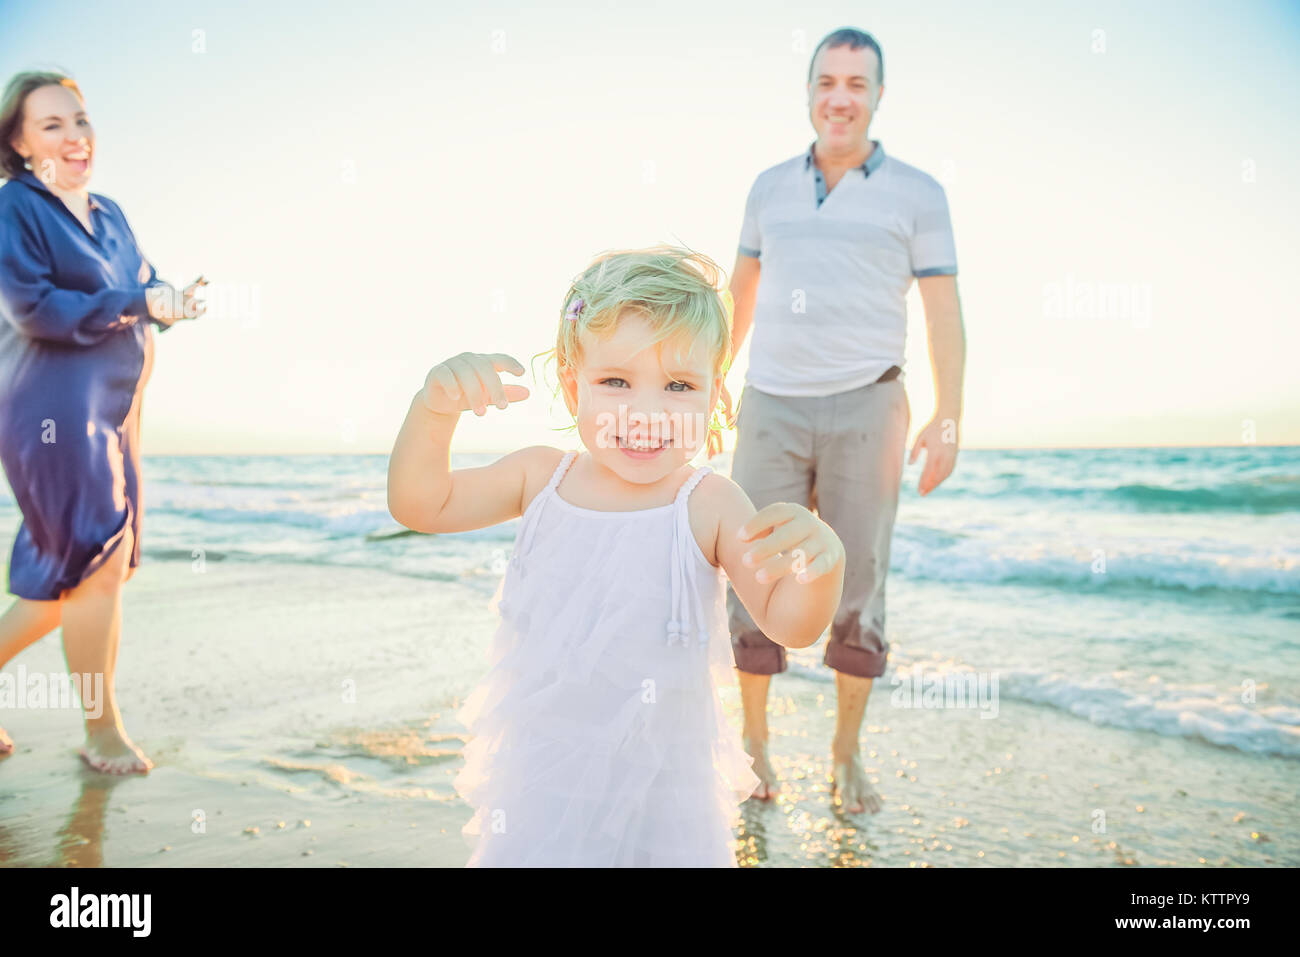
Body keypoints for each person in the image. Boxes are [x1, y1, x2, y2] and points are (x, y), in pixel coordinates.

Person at [388, 246, 847, 866]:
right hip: (543, 772)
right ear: (574, 384)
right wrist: (434, 409)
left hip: (667, 787)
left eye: (678, 385)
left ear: (716, 398)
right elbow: (423, 504)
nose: (646, 411)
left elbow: (786, 622)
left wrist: (823, 569)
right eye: (616, 382)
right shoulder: (538, 479)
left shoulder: (708, 502)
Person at [723, 28, 966, 811]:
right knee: (751, 571)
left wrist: (948, 414)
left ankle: (843, 754)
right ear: (808, 92)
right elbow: (741, 296)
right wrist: (702, 385)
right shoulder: (767, 188)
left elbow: (943, 312)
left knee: (858, 583)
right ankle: (755, 747)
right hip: (771, 402)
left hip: (871, 402)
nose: (840, 97)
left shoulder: (919, 193)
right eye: (827, 81)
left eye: (857, 85)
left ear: (878, 97)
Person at [0, 72, 206, 773]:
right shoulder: (15, 208)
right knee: (90, 571)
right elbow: (35, 308)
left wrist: (171, 301)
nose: (73, 135)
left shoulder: (111, 213)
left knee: (91, 575)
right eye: (51, 123)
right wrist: (142, 302)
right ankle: (102, 731)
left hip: (118, 413)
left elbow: (142, 291)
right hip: (52, 412)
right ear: (19, 142)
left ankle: (100, 726)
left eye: (80, 119)